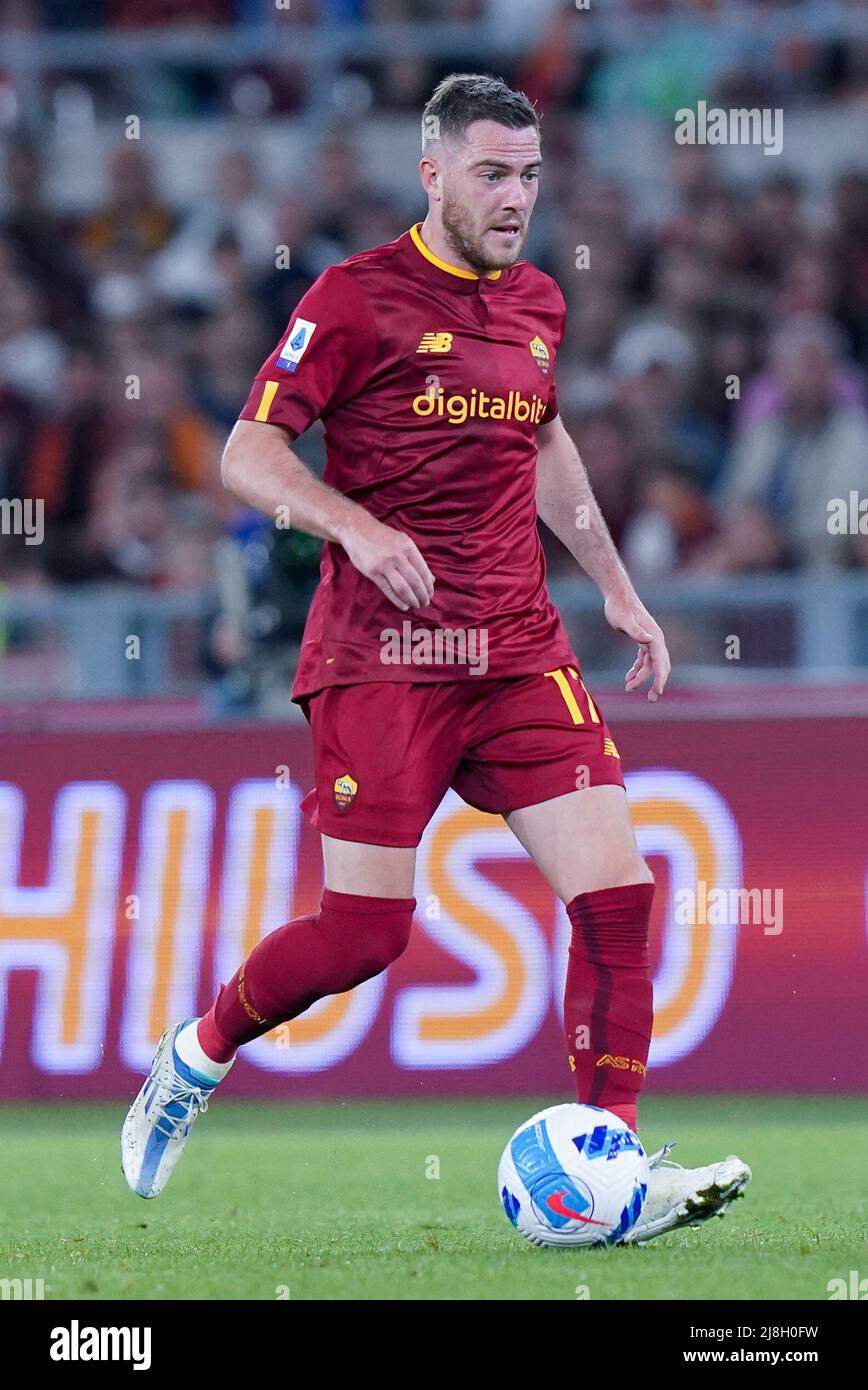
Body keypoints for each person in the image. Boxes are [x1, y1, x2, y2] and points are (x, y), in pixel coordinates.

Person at [121, 74, 750, 1242]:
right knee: (366, 935)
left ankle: (608, 1166)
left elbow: (546, 436)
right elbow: (248, 458)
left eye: (528, 176)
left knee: (617, 897)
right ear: (433, 174)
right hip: (383, 656)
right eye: (491, 174)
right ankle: (195, 1054)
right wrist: (354, 526)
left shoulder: (539, 303)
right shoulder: (353, 299)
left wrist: (615, 585)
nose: (514, 198)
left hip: (515, 648)